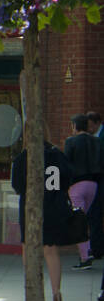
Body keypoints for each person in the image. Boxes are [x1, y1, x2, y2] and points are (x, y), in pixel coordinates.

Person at [11, 139, 79, 301]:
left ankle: (32, 285)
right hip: (53, 206)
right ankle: (56, 292)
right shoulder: (57, 155)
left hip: (30, 206)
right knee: (51, 249)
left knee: (28, 246)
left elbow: (17, 185)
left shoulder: (23, 157)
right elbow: (68, 178)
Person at [62, 114, 101, 269]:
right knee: (85, 219)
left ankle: (85, 257)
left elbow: (66, 164)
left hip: (77, 185)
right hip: (93, 184)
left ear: (75, 126)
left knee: (78, 221)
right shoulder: (97, 141)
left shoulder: (71, 141)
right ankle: (89, 249)